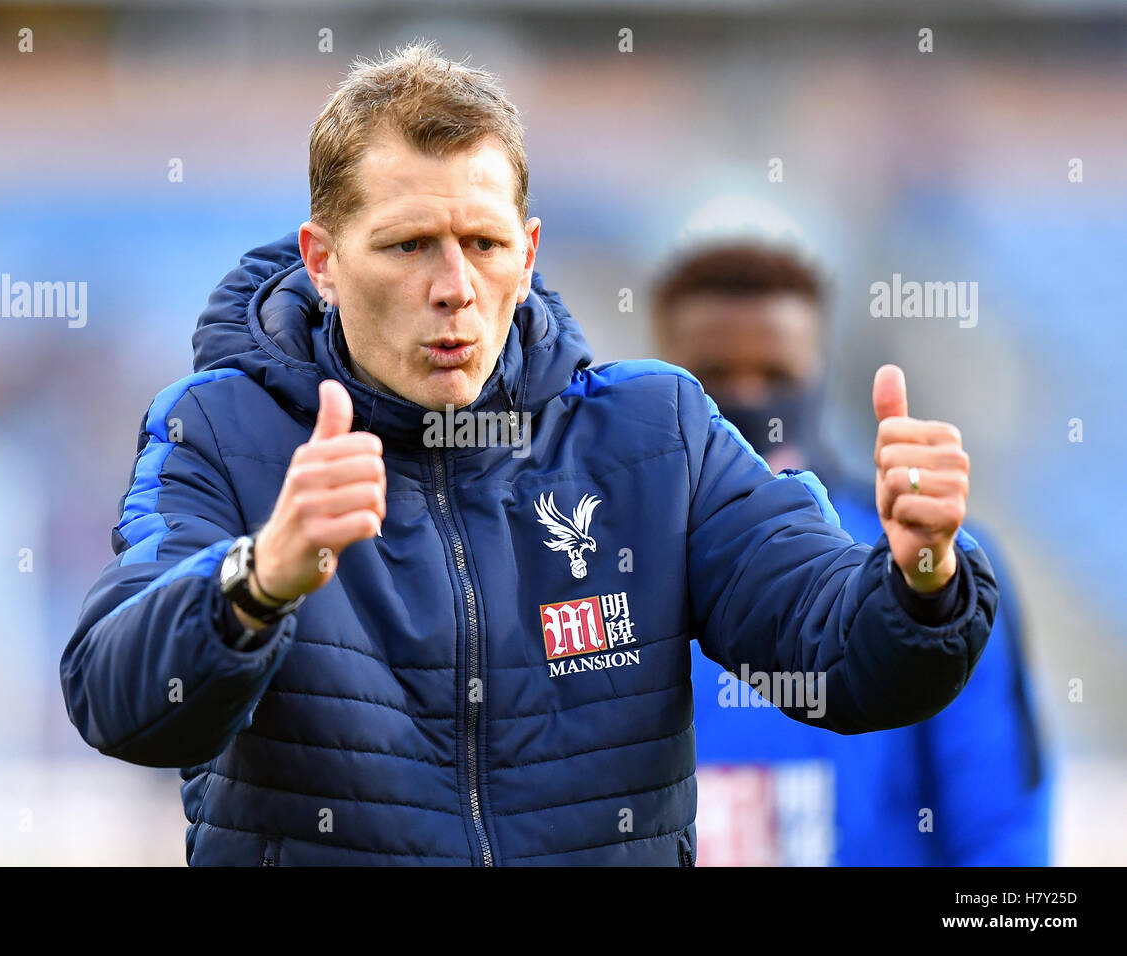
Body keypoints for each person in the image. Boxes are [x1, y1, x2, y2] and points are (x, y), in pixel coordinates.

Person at [59, 41, 998, 867]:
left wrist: (921, 576)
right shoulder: (221, 434)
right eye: (409, 245)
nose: (455, 287)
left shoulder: (653, 433)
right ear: (322, 260)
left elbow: (840, 652)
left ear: (530, 250)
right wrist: (255, 582)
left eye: (483, 242)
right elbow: (116, 694)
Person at [651, 241, 1050, 865]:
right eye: (714, 378)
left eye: (777, 376)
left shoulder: (928, 568)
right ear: (662, 377)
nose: (750, 401)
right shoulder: (597, 566)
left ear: (820, 375)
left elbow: (1000, 834)